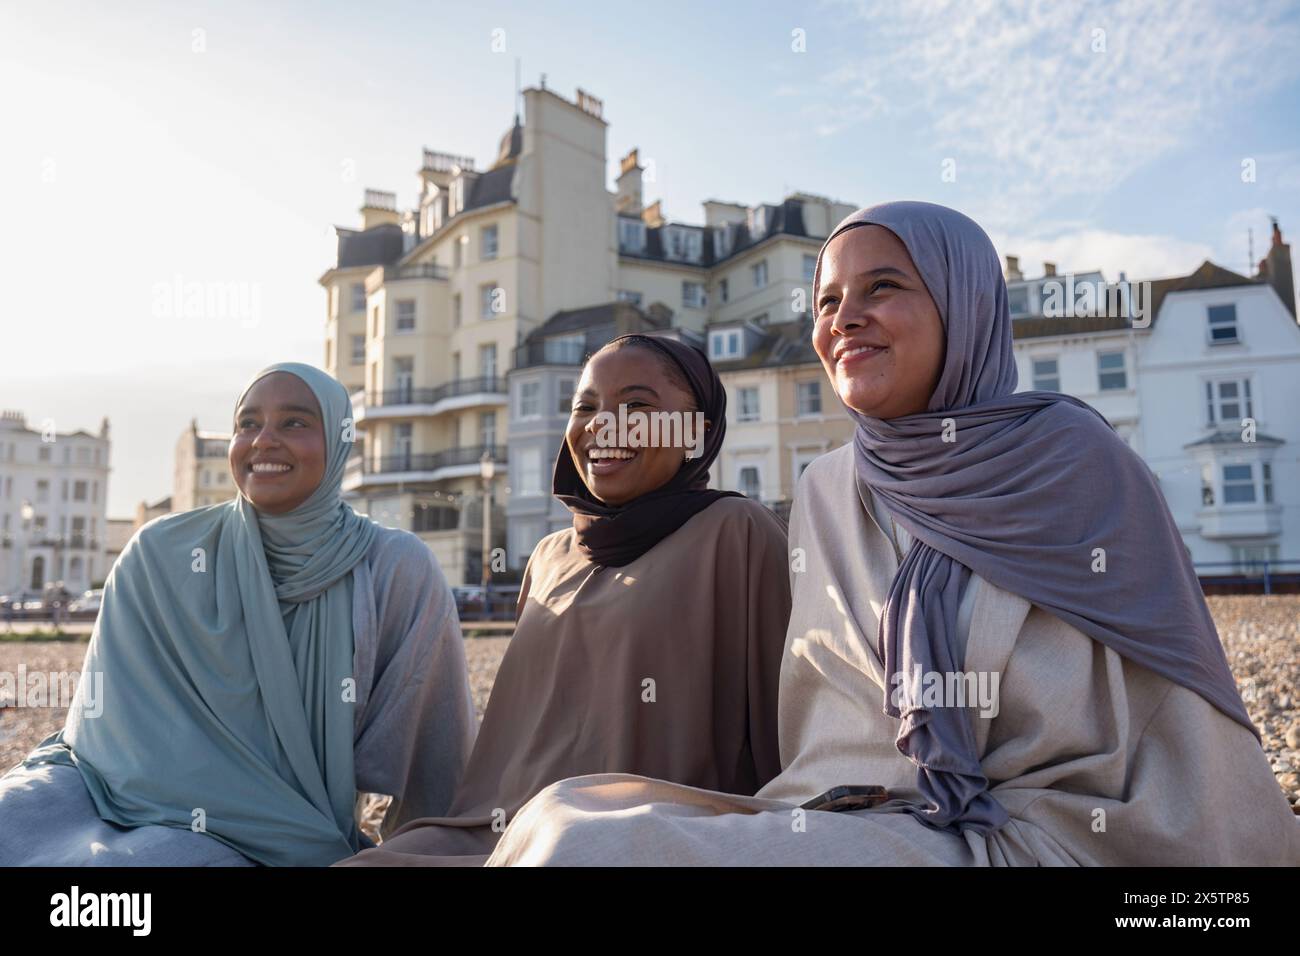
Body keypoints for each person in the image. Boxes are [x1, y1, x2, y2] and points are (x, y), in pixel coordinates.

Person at [480, 201, 1300, 866]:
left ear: (962, 301)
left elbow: (1173, 718)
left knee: (588, 854)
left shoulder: (1077, 461)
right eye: (828, 301)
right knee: (562, 817)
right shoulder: (830, 487)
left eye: (882, 288)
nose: (847, 318)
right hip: (876, 818)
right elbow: (830, 735)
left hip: (1054, 831)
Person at [338, 334, 791, 866]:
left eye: (637, 406)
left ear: (698, 432)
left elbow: (786, 729)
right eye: (586, 407)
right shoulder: (552, 554)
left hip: (649, 831)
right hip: (504, 830)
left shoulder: (736, 532)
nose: (602, 424)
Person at [0, 362, 476, 866]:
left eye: (294, 423)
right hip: (102, 785)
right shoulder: (159, 552)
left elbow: (434, 757)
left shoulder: (393, 567)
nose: (263, 440)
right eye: (247, 424)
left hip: (265, 832)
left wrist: (421, 852)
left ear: (340, 443)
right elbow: (109, 725)